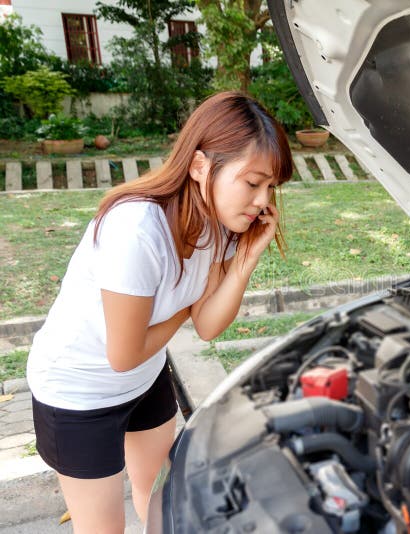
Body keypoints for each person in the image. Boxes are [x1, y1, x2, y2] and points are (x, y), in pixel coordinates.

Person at [26, 91, 293, 532]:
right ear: (201, 166)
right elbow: (123, 354)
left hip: (145, 377)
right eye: (252, 183)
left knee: (163, 505)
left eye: (271, 187)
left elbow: (208, 327)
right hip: (77, 393)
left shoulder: (222, 221)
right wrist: (189, 304)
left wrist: (245, 262)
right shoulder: (137, 230)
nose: (263, 201)